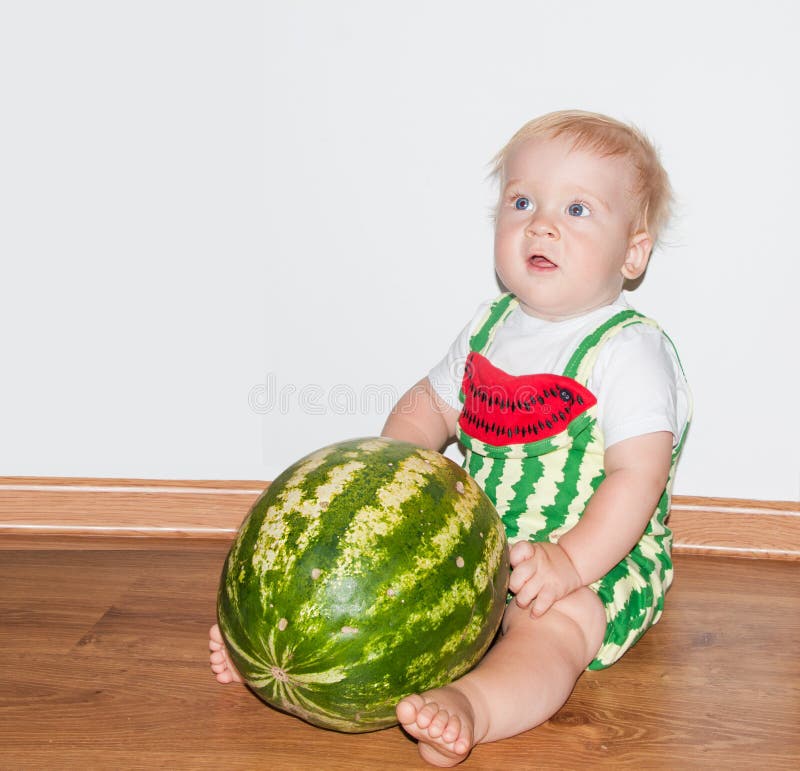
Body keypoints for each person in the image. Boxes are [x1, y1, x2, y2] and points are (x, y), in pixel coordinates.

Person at [210, 110, 691, 767]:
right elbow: (426, 406)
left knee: (551, 629)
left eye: (577, 209)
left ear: (633, 253)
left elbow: (637, 478)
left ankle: (476, 706)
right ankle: (275, 653)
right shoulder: (489, 327)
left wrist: (569, 563)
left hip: (593, 555)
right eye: (522, 201)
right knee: (376, 597)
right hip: (478, 541)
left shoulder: (628, 350)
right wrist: (387, 486)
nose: (541, 223)